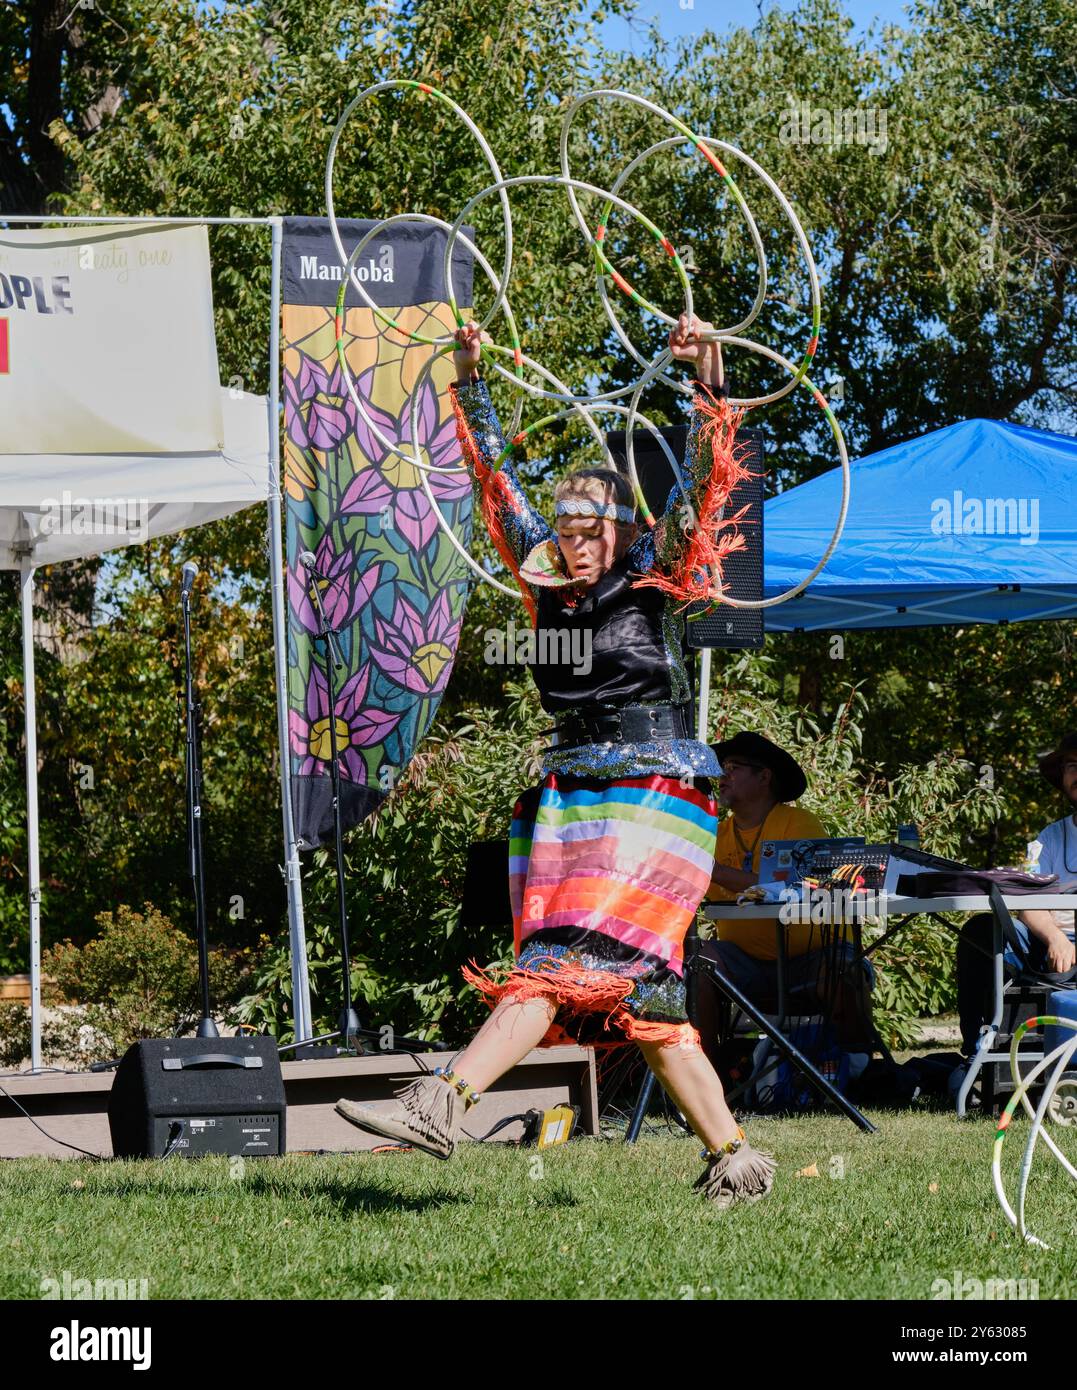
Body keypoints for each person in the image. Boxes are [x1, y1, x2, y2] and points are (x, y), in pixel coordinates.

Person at [335, 313, 776, 1208]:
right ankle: (735, 1159)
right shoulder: (546, 586)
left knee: (555, 963)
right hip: (576, 796)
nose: (573, 537)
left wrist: (710, 368)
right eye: (565, 525)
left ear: (620, 531)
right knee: (645, 994)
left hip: (652, 793)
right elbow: (494, 479)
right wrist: (468, 376)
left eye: (590, 525)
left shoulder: (651, 573)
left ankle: (442, 1104)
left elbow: (704, 477)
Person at [693, 732, 873, 1069]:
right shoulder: (714, 835)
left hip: (813, 958)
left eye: (733, 767)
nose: (722, 775)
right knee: (698, 961)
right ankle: (708, 1075)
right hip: (745, 962)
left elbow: (801, 886)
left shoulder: (799, 823)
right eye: (722, 767)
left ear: (764, 776)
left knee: (844, 969)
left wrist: (712, 869)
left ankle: (860, 1069)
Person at [956, 733, 1077, 1058]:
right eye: (1071, 766)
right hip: (1050, 945)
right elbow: (1028, 903)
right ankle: (976, 1057)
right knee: (978, 932)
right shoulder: (1051, 837)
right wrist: (1055, 938)